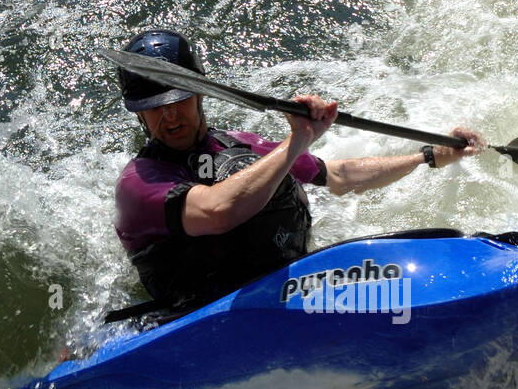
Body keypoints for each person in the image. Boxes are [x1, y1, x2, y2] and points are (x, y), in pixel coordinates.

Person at [113, 28, 486, 312]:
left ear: (200, 95)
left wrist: (428, 156)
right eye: (154, 107)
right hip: (195, 313)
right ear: (139, 113)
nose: (170, 115)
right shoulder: (139, 183)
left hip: (283, 293)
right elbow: (216, 211)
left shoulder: (243, 145)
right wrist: (298, 141)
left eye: (179, 100)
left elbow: (340, 176)